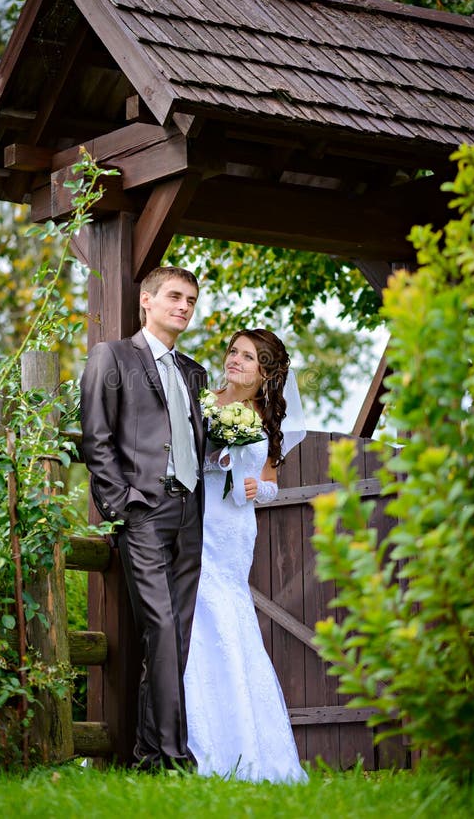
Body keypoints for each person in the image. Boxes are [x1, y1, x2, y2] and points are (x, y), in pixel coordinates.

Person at [80, 266, 207, 772]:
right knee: (159, 624)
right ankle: (176, 757)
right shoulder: (112, 357)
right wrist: (125, 505)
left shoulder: (193, 372)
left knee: (176, 637)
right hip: (144, 513)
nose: (184, 306)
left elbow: (196, 440)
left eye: (191, 300)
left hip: (190, 514)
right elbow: (97, 438)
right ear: (147, 302)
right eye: (174, 296)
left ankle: (149, 754)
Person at [184, 328, 308, 783]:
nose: (236, 360)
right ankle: (196, 737)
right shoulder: (201, 402)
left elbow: (270, 482)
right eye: (233, 352)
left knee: (224, 613)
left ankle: (242, 742)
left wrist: (261, 489)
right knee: (192, 618)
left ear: (265, 372)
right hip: (194, 519)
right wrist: (215, 460)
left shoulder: (268, 418)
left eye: (249, 357)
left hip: (233, 528)